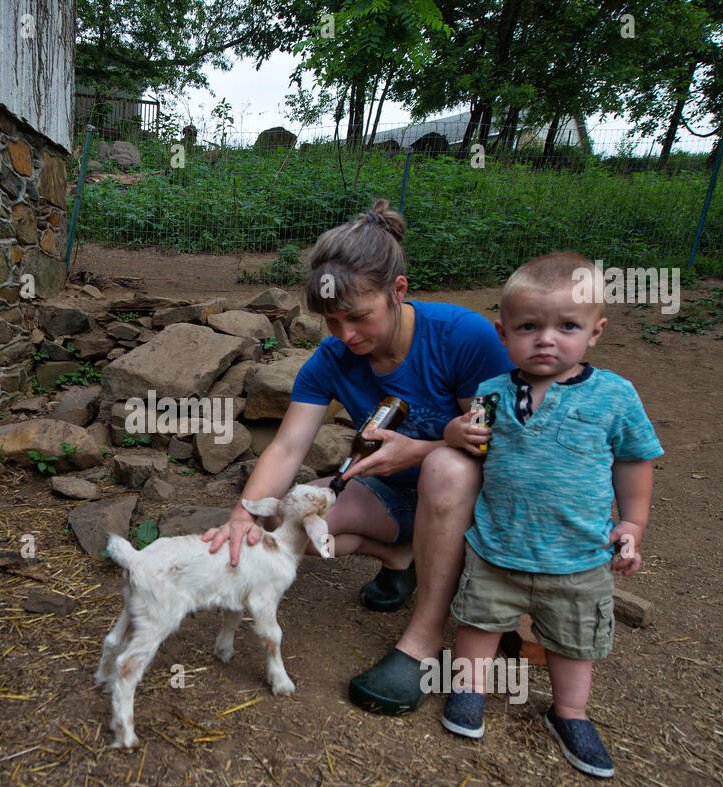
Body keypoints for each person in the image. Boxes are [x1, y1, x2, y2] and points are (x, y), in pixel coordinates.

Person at [202, 199, 511, 714]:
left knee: (446, 465)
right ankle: (403, 557)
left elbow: (500, 441)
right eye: (331, 321)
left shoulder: (464, 336)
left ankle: (424, 639)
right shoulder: (331, 359)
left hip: (466, 499)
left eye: (359, 316)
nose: (346, 335)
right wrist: (242, 516)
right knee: (290, 518)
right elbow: (287, 446)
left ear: (399, 291)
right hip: (388, 493)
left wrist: (422, 449)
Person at [439, 252, 663, 777]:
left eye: (566, 326)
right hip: (498, 546)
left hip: (578, 556)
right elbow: (473, 446)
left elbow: (635, 459)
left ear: (595, 331)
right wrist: (454, 434)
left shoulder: (614, 396)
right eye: (528, 326)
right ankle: (469, 691)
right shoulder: (492, 392)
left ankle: (571, 714)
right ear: (503, 332)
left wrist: (631, 524)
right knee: (479, 623)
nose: (546, 339)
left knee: (573, 641)